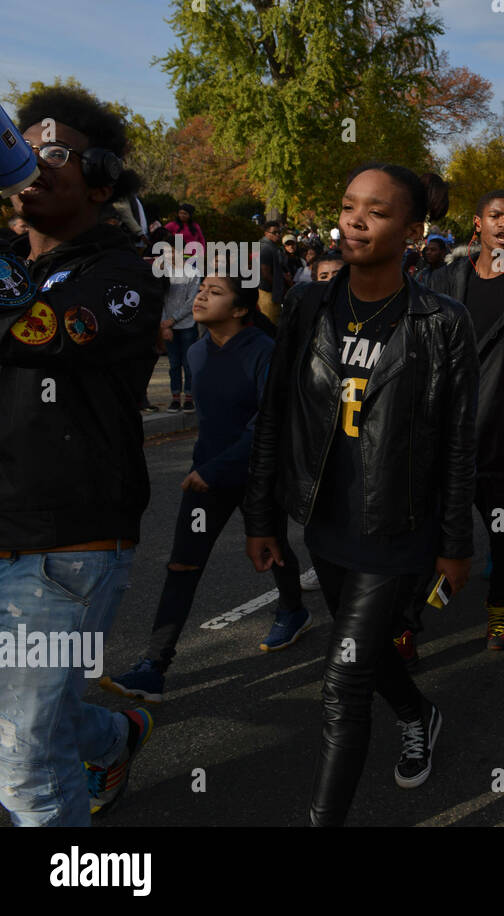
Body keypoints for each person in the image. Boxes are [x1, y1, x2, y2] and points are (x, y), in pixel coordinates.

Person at [243, 162, 478, 826]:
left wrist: (455, 545)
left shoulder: (440, 320)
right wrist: (261, 514)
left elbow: (458, 443)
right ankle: (417, 713)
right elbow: (274, 412)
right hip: (327, 523)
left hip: (396, 533)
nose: (354, 220)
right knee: (365, 652)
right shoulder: (307, 305)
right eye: (348, 206)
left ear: (411, 229)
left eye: (375, 212)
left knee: (342, 682)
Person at [0, 85, 164, 823]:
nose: (31, 162)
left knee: (25, 771)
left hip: (64, 544)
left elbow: (44, 334)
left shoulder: (122, 274)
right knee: (35, 718)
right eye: (23, 146)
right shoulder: (13, 263)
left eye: (54, 152)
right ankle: (115, 735)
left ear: (100, 180)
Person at [100, 273, 312, 703]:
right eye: (201, 290)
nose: (200, 297)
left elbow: (267, 423)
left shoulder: (264, 353)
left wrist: (218, 467)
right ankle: (153, 666)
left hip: (256, 477)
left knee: (274, 551)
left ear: (239, 309)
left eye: (215, 293)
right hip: (206, 481)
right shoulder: (196, 352)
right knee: (181, 566)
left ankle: (292, 609)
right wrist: (208, 468)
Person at [427, 189, 504, 650]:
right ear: (478, 223)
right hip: (446, 431)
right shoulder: (447, 280)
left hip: (502, 432)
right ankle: (405, 625)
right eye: (494, 215)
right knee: (425, 538)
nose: (503, 224)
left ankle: (502, 611)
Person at [159, 240, 201, 412]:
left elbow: (192, 301)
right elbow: (159, 299)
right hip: (168, 326)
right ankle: (175, 397)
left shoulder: (193, 273)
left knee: (188, 363)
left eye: (174, 251)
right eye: (167, 252)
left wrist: (173, 319)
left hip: (187, 325)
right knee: (174, 363)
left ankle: (189, 397)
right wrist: (164, 325)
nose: (170, 255)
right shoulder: (162, 273)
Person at [257, 220, 289, 325]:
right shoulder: (265, 248)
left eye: (279, 232)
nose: (278, 235)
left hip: (272, 293)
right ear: (266, 233)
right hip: (266, 293)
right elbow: (265, 272)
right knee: (269, 325)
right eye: (274, 232)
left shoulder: (273, 247)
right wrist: (278, 285)